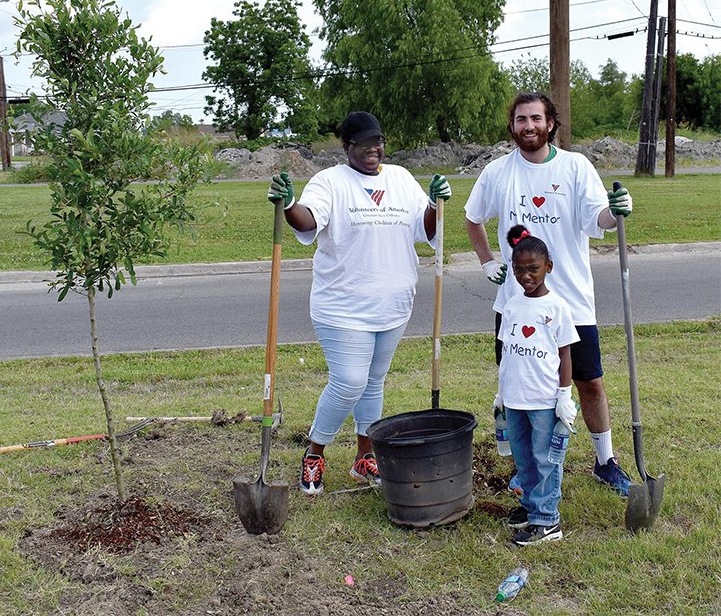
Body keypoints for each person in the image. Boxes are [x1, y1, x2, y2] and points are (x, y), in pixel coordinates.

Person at [267, 111, 451, 495]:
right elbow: (307, 222)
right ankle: (315, 452)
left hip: (394, 304)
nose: (374, 150)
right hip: (342, 307)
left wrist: (434, 204)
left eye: (378, 142)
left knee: (373, 382)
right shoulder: (330, 182)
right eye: (364, 144)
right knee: (349, 380)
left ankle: (364, 456)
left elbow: (427, 229)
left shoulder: (400, 179)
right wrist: (288, 205)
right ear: (347, 147)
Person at [464, 91, 634, 497]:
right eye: (521, 120)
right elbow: (473, 218)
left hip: (572, 302)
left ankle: (605, 461)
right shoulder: (497, 172)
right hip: (514, 303)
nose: (529, 126)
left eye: (537, 118)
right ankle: (525, 467)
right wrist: (488, 260)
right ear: (512, 126)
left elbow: (598, 219)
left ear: (551, 123)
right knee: (519, 386)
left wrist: (617, 211)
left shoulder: (576, 167)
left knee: (589, 382)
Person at [494, 225, 579, 545]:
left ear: (548, 267)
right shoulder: (513, 306)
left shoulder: (556, 307)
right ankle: (531, 506)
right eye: (519, 270)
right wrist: (501, 393)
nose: (526, 276)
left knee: (546, 458)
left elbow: (564, 353)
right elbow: (507, 352)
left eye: (533, 269)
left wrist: (564, 396)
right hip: (515, 399)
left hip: (544, 400)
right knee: (523, 456)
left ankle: (547, 520)